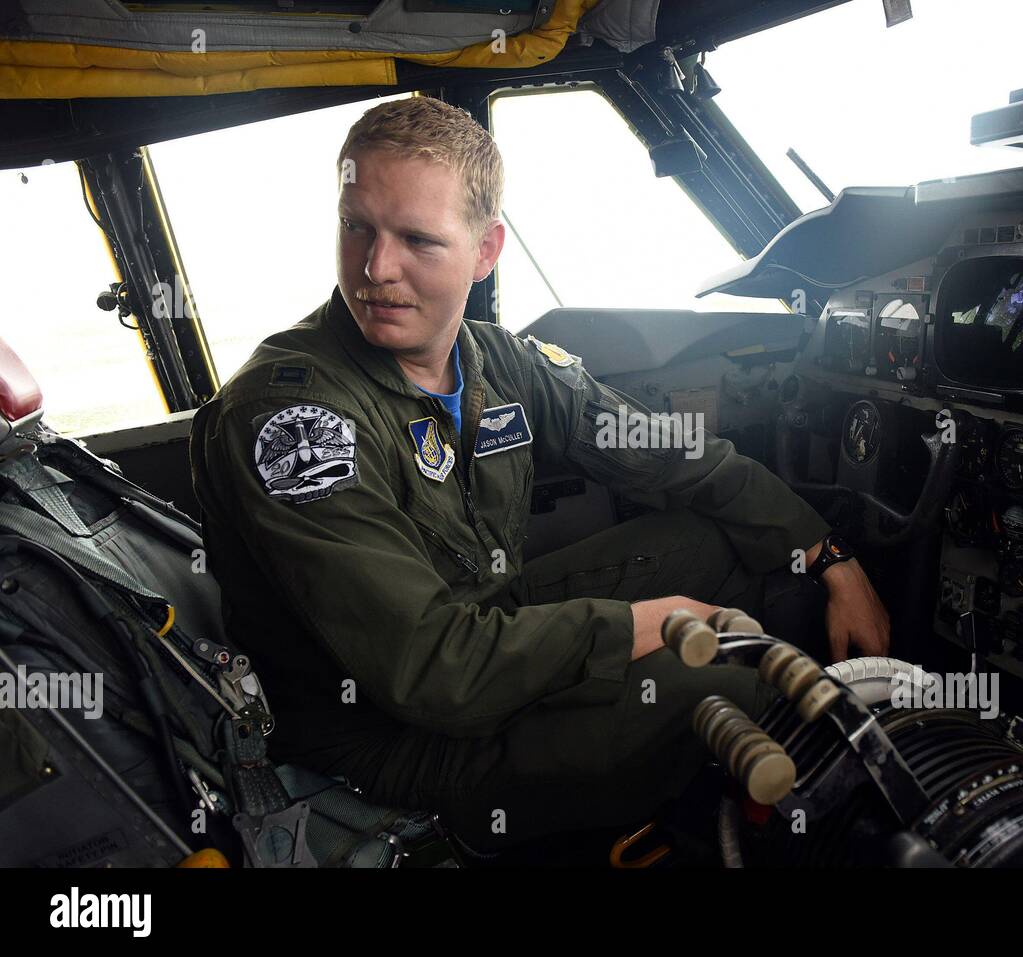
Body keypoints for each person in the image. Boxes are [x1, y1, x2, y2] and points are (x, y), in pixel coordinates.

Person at [189, 95, 890, 852]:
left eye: (417, 239)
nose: (375, 267)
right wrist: (639, 627)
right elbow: (431, 667)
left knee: (724, 546)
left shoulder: (500, 363)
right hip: (386, 736)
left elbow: (674, 454)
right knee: (729, 695)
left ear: (486, 251)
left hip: (488, 624)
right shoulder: (292, 419)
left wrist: (831, 557)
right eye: (356, 225)